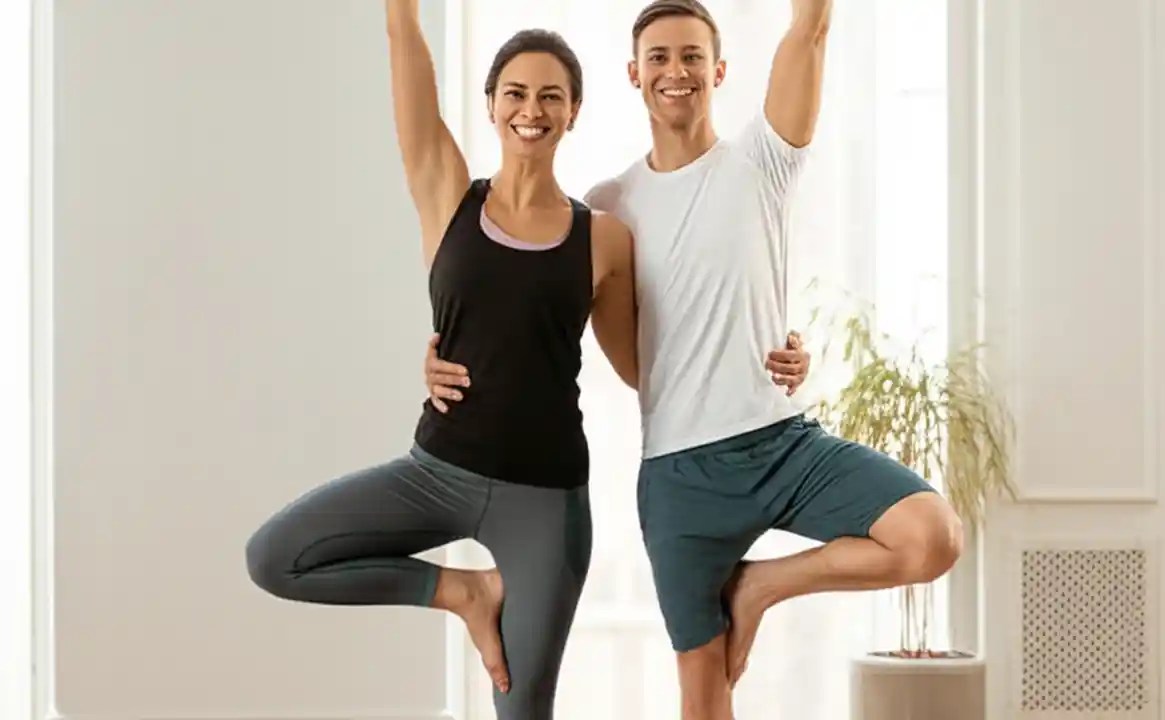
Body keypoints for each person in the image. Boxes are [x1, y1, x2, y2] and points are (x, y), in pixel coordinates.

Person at [245, 2, 811, 719]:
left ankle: (485, 600)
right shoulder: (447, 195)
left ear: (574, 112)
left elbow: (650, 366)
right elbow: (404, 43)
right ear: (490, 105)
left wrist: (781, 354)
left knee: (522, 712)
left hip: (545, 501)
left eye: (551, 96)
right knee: (275, 556)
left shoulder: (604, 238)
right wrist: (450, 586)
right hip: (437, 472)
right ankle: (466, 593)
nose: (531, 110)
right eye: (515, 93)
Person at [426, 1, 964, 719]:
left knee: (931, 537)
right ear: (633, 75)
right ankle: (740, 593)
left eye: (689, 57)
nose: (674, 71)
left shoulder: (763, 160)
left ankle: (759, 587)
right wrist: (438, 359)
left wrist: (777, 349)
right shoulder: (607, 210)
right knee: (704, 704)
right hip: (680, 478)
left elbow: (810, 28)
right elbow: (533, 325)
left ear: (718, 71)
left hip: (785, 445)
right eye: (658, 57)